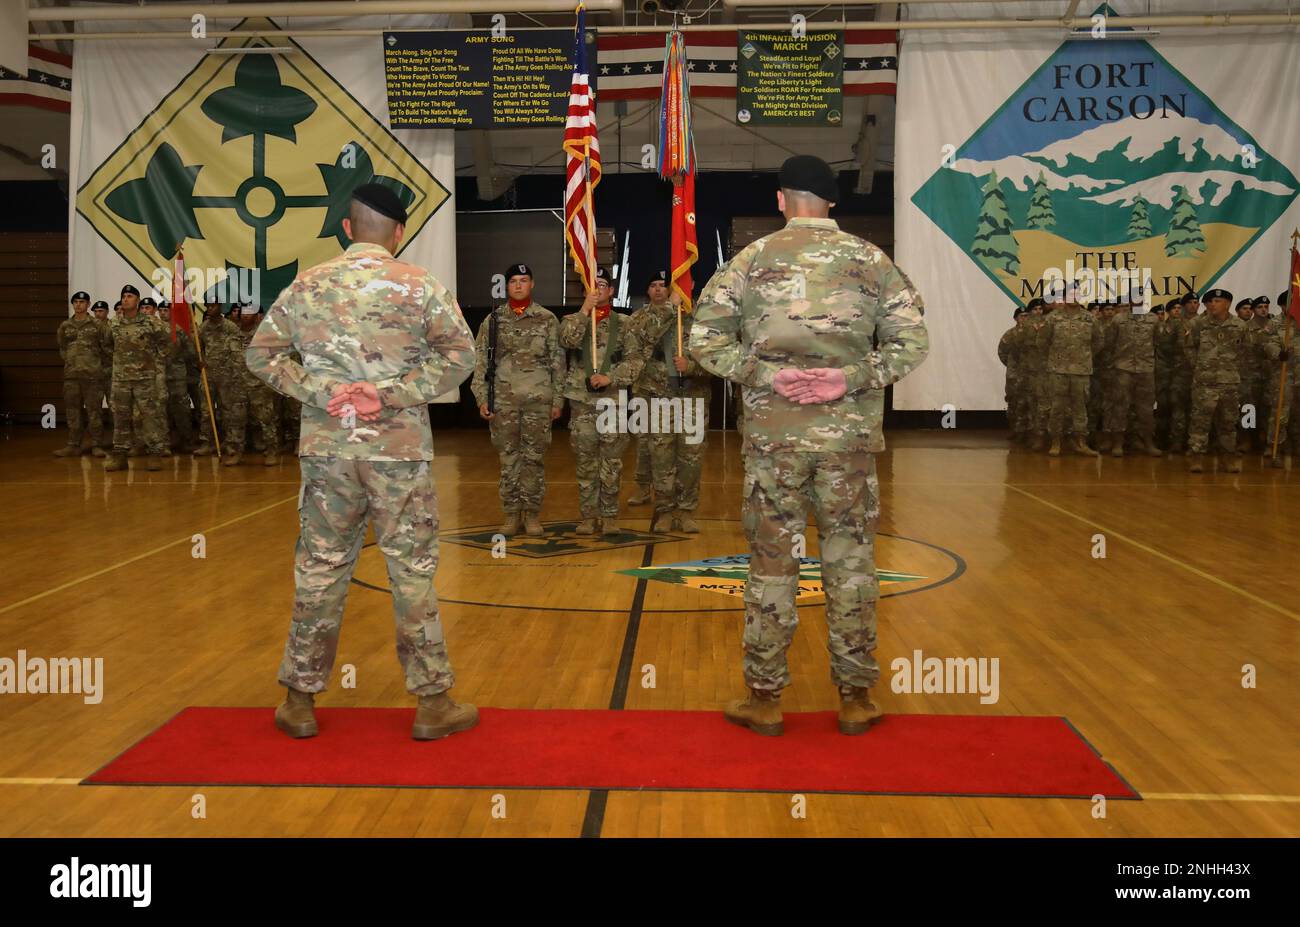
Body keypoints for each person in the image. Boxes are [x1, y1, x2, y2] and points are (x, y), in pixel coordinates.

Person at [689, 154, 929, 737]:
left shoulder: (752, 260)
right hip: (847, 441)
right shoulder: (872, 261)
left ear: (781, 200)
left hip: (775, 441)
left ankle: (765, 699)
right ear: (832, 203)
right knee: (849, 561)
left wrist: (768, 375)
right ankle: (855, 697)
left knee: (772, 564)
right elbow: (911, 342)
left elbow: (703, 338)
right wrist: (849, 378)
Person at [246, 182, 477, 741]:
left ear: (346, 229)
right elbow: (462, 355)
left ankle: (299, 701)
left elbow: (261, 354)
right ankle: (432, 703)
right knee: (412, 570)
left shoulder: (308, 284)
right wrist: (393, 393)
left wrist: (320, 390)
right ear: (398, 233)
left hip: (329, 452)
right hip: (396, 451)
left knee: (320, 568)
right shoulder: (419, 284)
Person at [469, 263, 565, 537]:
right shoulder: (493, 321)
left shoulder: (546, 319)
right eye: (514, 281)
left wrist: (557, 401)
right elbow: (481, 363)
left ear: (532, 284)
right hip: (504, 403)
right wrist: (480, 398)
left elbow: (558, 364)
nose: (519, 285)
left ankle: (532, 515)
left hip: (538, 402)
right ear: (507, 286)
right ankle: (511, 515)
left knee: (534, 460)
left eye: (524, 280)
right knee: (509, 460)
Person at [557, 267, 651, 536]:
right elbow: (566, 340)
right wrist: (585, 310)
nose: (597, 290)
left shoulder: (625, 323)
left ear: (610, 291)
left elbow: (636, 361)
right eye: (592, 285)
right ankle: (588, 517)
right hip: (581, 402)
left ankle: (609, 516)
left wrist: (611, 377)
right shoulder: (573, 320)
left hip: (612, 402)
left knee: (611, 463)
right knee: (585, 463)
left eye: (602, 285)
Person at [629, 270, 712, 532]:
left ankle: (686, 511)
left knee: (691, 459)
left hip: (693, 400)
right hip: (659, 399)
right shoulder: (647, 317)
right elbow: (640, 343)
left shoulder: (704, 319)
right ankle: (664, 510)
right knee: (661, 458)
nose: (663, 289)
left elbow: (718, 362)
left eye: (671, 284)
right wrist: (669, 308)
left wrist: (692, 367)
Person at [103, 285, 169, 471]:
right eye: (123, 296)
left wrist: (155, 361)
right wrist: (119, 362)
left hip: (145, 379)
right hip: (121, 380)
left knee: (149, 417)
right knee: (121, 417)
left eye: (129, 296)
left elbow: (167, 343)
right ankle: (120, 456)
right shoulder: (114, 323)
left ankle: (154, 454)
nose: (125, 299)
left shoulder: (150, 323)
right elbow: (107, 345)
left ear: (137, 300)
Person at [1185, 289, 1249, 473]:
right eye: (1209, 301)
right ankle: (1197, 457)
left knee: (1228, 422)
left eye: (1217, 301)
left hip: (1229, 383)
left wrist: (1233, 369)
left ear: (1228, 304)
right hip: (1205, 383)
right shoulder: (1197, 324)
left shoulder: (1239, 325)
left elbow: (1245, 350)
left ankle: (1227, 457)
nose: (1212, 304)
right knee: (1200, 421)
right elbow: (1189, 347)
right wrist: (1199, 366)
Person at [1043, 283, 1103, 456]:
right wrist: (1056, 357)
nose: (1074, 297)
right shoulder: (1053, 318)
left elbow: (1099, 341)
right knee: (1057, 407)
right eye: (1070, 294)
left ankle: (1081, 442)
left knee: (1080, 408)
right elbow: (1043, 342)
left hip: (1081, 370)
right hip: (1058, 370)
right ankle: (1055, 442)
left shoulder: (1089, 318)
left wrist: (1084, 355)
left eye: (1077, 293)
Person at [1103, 288, 1161, 457]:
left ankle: (1148, 442)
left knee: (1146, 409)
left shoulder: (1153, 319)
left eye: (1141, 297)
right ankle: (1118, 443)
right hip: (1123, 368)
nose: (1138, 300)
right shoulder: (1118, 319)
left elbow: (1157, 342)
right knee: (1120, 407)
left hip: (1146, 369)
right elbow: (1110, 343)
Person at [54, 291, 110, 457]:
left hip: (92, 375)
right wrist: (72, 362)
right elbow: (63, 347)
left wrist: (94, 364)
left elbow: (106, 348)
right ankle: (73, 444)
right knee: (73, 411)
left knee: (95, 411)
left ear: (88, 304)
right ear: (73, 304)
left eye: (82, 302)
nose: (78, 304)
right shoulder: (65, 326)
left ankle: (97, 444)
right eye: (76, 302)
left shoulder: (97, 325)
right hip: (71, 376)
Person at [226, 302, 282, 466]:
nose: (245, 315)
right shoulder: (232, 336)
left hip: (259, 387)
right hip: (238, 386)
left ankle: (271, 451)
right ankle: (236, 452)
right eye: (243, 312)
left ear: (258, 316)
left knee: (266, 420)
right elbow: (226, 361)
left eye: (250, 313)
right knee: (236, 420)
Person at [192, 300, 240, 456]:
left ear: (220, 307)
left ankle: (230, 442)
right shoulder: (204, 327)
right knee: (206, 411)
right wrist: (199, 361)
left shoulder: (230, 327)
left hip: (226, 376)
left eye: (213, 306)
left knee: (228, 410)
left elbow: (238, 350)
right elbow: (198, 348)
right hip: (208, 375)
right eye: (208, 306)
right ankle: (207, 442)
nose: (210, 309)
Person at [996, 307, 1027, 444]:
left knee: (1029, 402)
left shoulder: (1035, 333)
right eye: (1021, 316)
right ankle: (1015, 429)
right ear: (1016, 318)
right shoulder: (1009, 335)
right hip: (1014, 375)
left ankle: (1028, 431)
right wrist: (1011, 365)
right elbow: (1002, 352)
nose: (1024, 318)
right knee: (1013, 402)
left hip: (1031, 374)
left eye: (1026, 316)